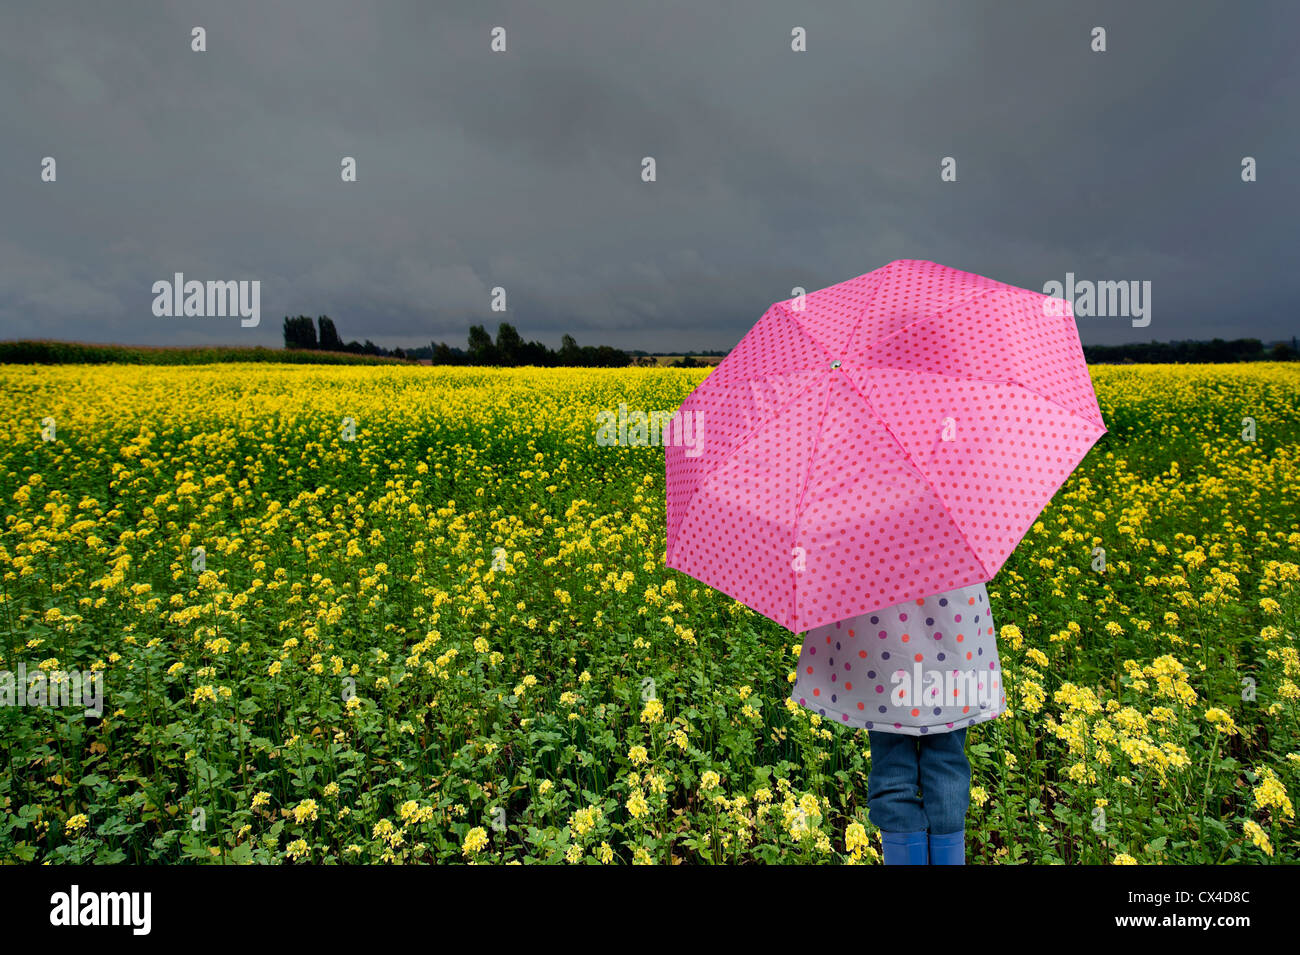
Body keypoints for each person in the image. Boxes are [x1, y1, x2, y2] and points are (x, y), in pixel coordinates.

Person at [790, 580, 1005, 864]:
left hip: (882, 635)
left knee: (892, 766)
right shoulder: (958, 538)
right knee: (947, 763)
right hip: (953, 634)